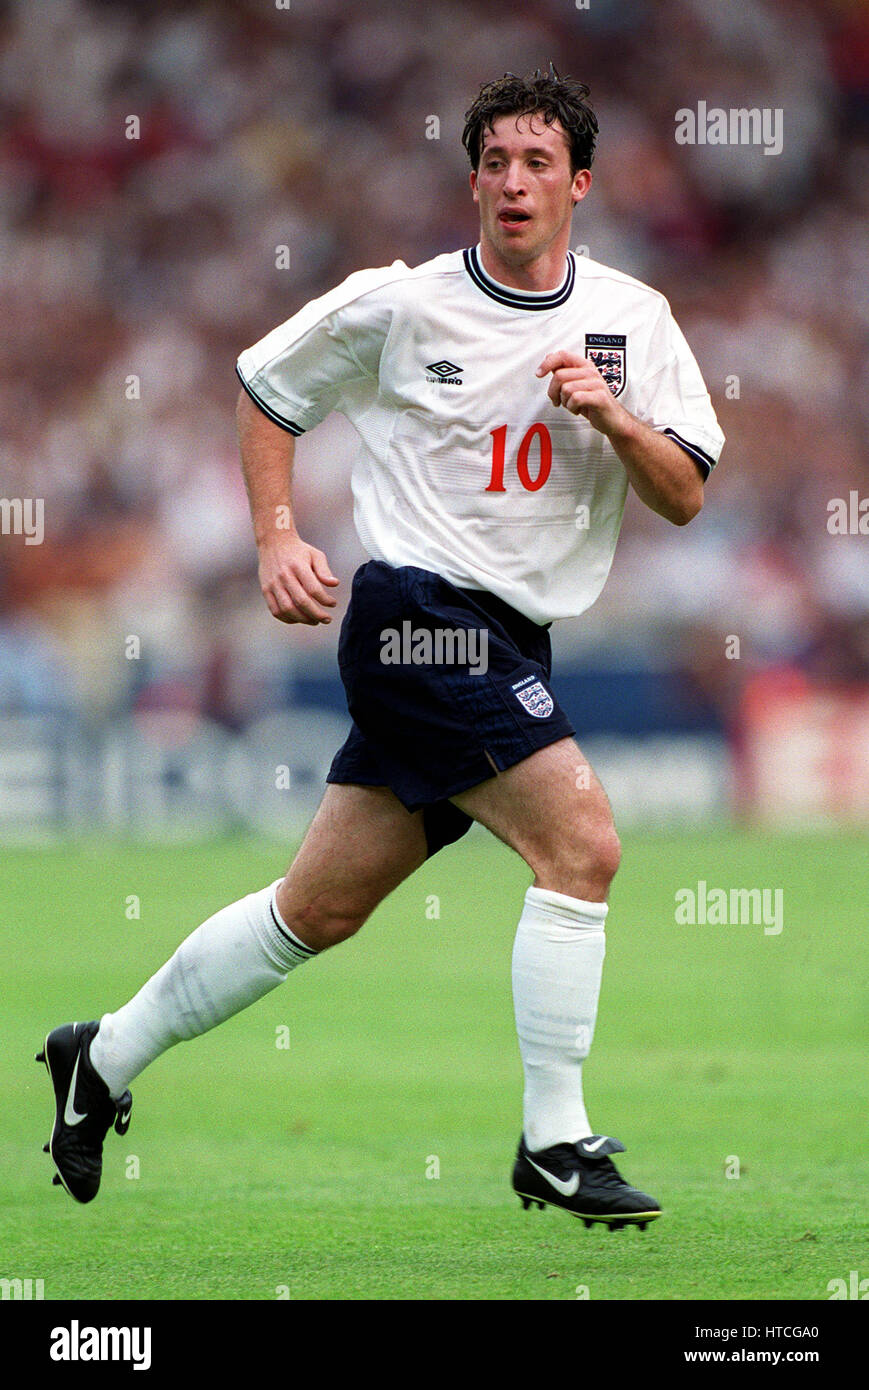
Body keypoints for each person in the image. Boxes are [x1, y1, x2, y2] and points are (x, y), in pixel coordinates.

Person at [38, 67, 723, 1229]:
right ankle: (553, 1140)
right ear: (470, 183)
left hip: (513, 635)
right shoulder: (400, 304)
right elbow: (266, 389)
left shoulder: (631, 323)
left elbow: (683, 495)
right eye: (494, 163)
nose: (513, 182)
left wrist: (611, 416)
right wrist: (273, 534)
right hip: (413, 618)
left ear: (579, 185)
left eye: (536, 162)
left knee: (316, 911)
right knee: (584, 845)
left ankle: (98, 1056)